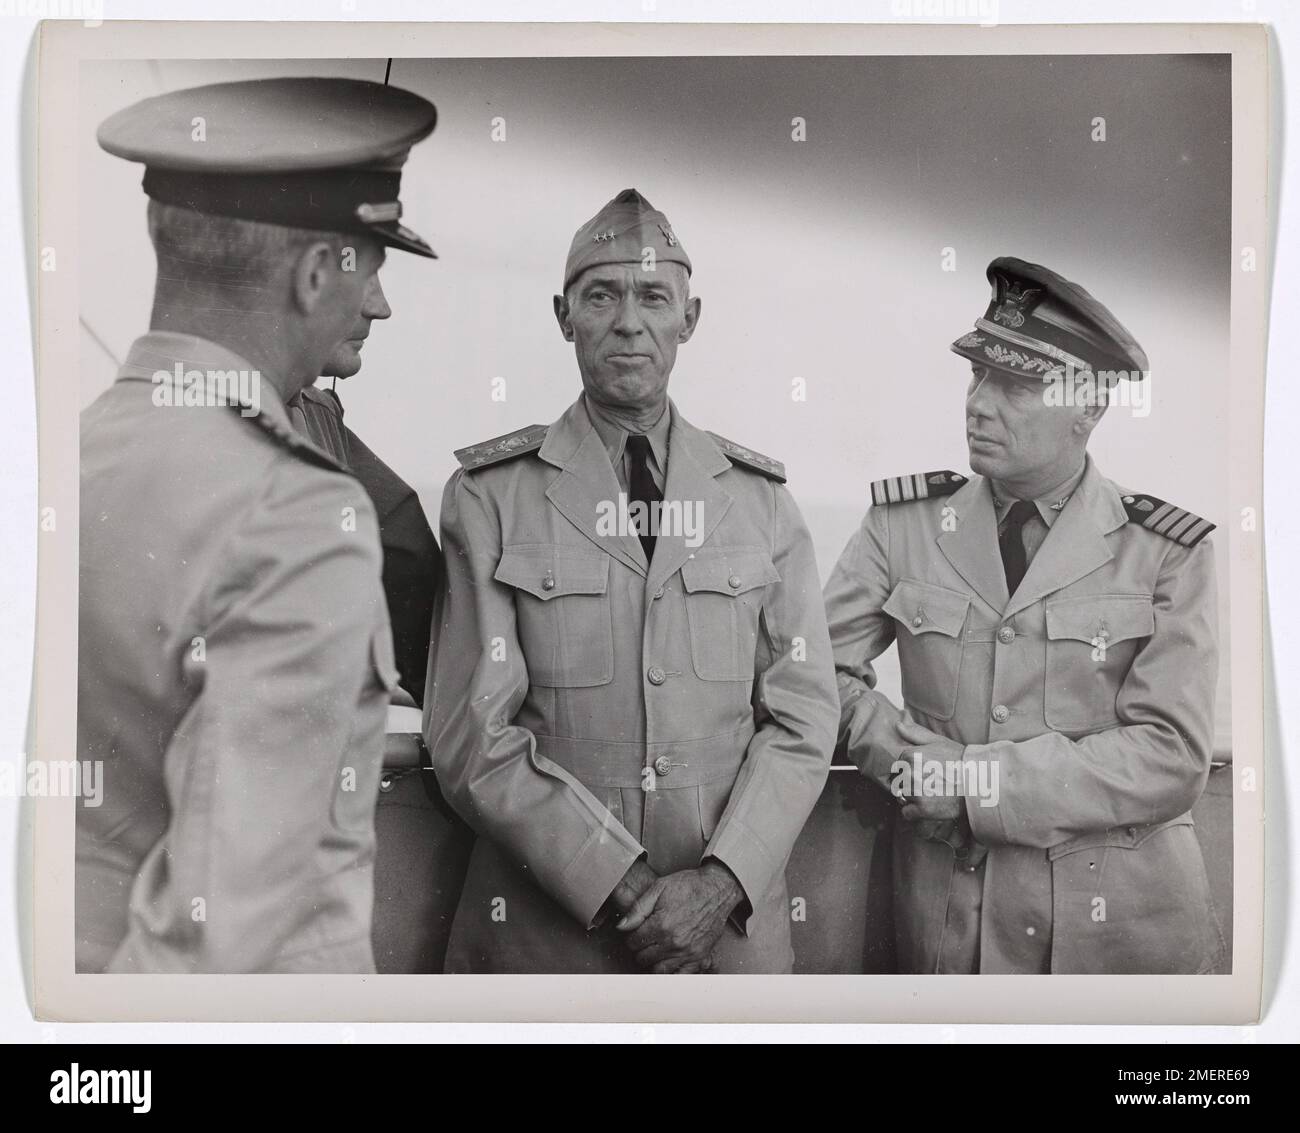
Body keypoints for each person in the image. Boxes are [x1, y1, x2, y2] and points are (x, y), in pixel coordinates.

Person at [425, 189, 839, 973]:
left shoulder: (759, 502)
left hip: (728, 944)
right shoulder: (490, 497)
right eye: (602, 295)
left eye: (654, 297)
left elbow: (805, 714)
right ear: (563, 314)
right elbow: (471, 738)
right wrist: (620, 880)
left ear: (691, 317)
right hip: (547, 944)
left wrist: (720, 884)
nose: (628, 321)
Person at [77, 77, 438, 972]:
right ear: (317, 273)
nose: (379, 305)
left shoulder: (63, 455)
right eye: (372, 266)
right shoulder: (296, 516)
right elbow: (218, 946)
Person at [823, 256, 1226, 974]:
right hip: (946, 928)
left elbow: (1172, 752)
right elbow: (818, 671)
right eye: (977, 375)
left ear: (1090, 405)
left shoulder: (1165, 551)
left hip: (1117, 942)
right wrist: (911, 762)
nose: (979, 402)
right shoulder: (904, 525)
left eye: (1015, 383)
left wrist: (978, 783)